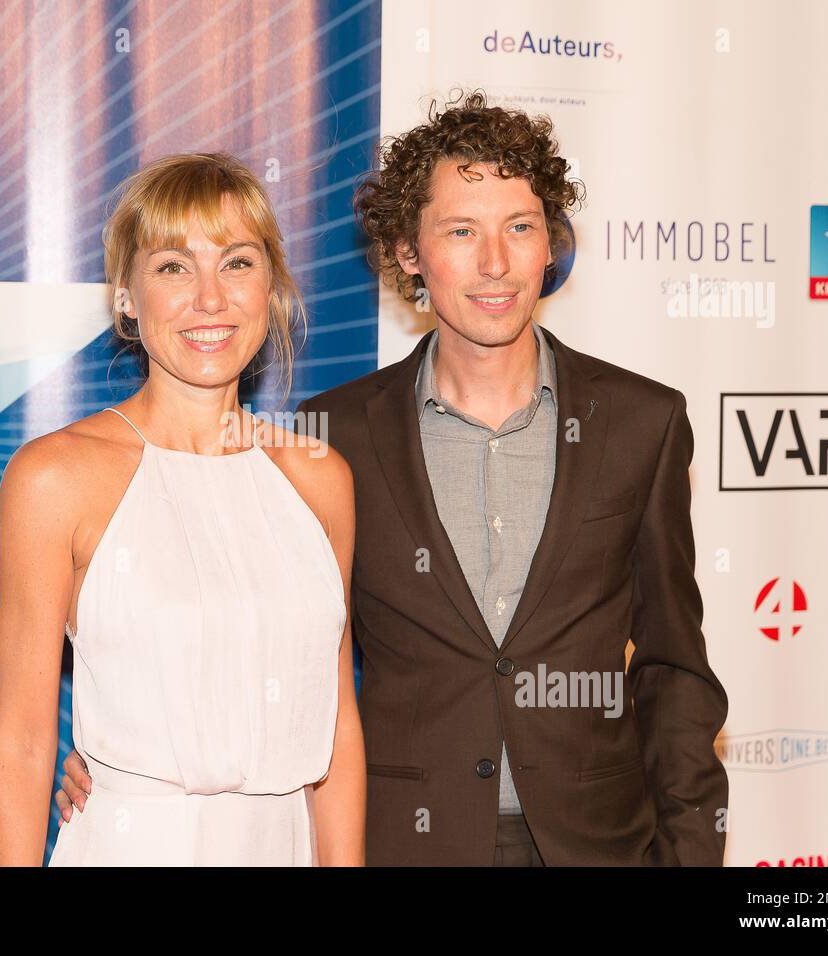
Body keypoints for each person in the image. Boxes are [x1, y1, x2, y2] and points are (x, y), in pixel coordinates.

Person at [56, 92, 729, 866]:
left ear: (551, 245)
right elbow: (269, 646)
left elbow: (676, 670)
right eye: (460, 231)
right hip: (405, 843)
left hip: (602, 846)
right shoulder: (330, 440)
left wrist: (688, 854)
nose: (495, 263)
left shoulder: (643, 422)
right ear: (410, 253)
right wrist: (126, 768)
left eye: (520, 226)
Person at [0, 152, 365, 866]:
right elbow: (25, 738)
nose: (210, 299)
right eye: (172, 268)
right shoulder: (54, 477)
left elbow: (336, 727)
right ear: (126, 296)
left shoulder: (319, 478)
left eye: (238, 263)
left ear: (273, 286)